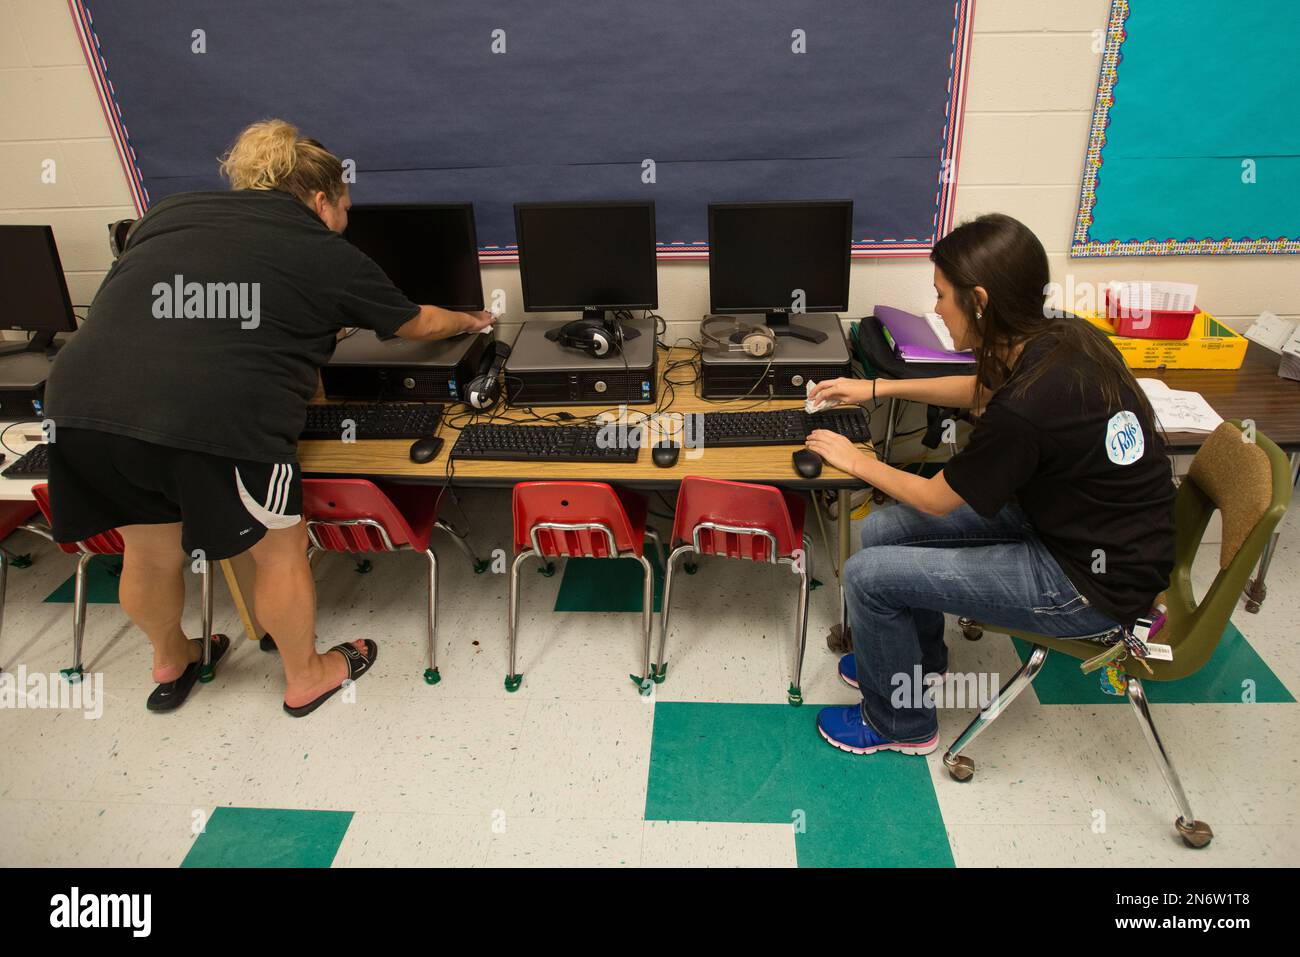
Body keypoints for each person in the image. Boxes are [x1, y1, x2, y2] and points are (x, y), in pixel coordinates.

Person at [43, 119, 495, 716]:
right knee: (278, 552)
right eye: (345, 208)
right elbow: (416, 323)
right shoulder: (325, 251)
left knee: (148, 553)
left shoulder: (168, 213)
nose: (345, 221)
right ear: (319, 199)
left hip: (81, 403)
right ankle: (307, 675)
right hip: (214, 419)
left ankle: (172, 660)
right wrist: (470, 321)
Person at [805, 213, 1175, 755]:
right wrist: (877, 387)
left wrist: (853, 460)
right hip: (1075, 527)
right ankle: (914, 666)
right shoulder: (1062, 336)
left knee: (866, 575)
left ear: (978, 301)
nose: (935, 310)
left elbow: (936, 498)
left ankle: (899, 725)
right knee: (883, 529)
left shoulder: (1027, 408)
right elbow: (983, 388)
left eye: (941, 297)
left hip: (1088, 583)